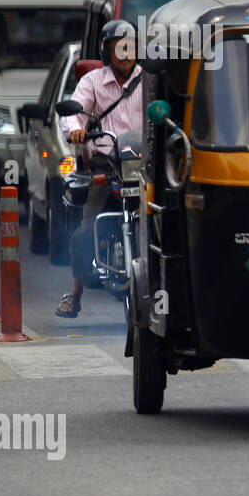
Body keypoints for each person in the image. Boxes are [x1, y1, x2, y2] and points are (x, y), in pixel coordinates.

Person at [55, 19, 145, 317]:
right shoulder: (92, 81)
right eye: (118, 47)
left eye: (129, 46)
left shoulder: (150, 80)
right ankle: (75, 292)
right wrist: (76, 130)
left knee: (171, 215)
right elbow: (73, 112)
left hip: (144, 162)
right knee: (86, 225)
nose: (124, 52)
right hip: (105, 160)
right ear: (107, 51)